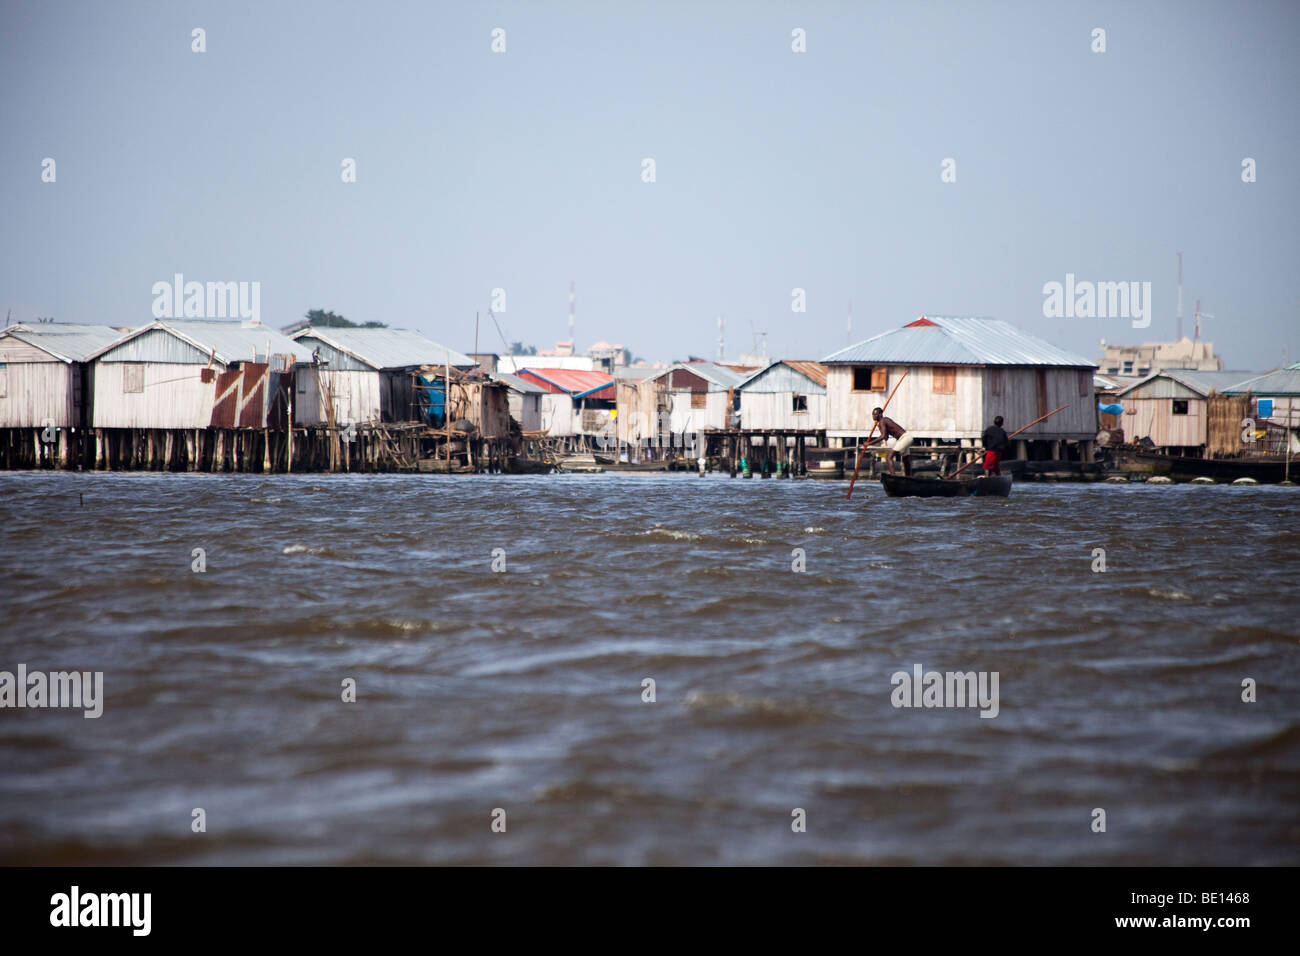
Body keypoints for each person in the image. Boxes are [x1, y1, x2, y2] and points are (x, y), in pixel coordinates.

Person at [869, 407, 912, 475]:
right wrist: (880, 429)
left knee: (889, 457)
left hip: (905, 438)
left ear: (880, 414)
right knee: (905, 458)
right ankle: (908, 477)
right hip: (904, 438)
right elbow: (886, 437)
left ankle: (893, 476)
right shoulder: (882, 422)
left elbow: (883, 436)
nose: (873, 416)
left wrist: (869, 443)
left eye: (875, 414)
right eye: (873, 415)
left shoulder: (883, 420)